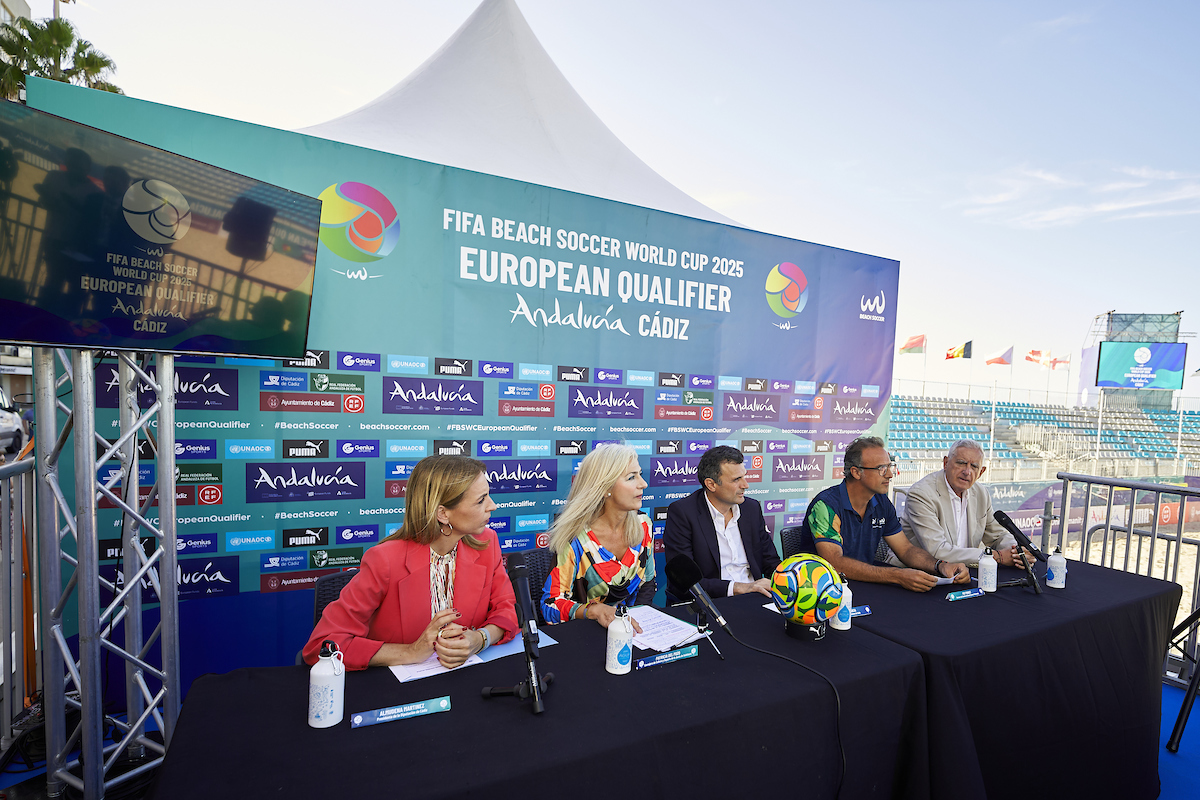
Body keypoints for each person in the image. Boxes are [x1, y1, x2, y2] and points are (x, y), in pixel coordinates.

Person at [302, 455, 517, 670]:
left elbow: (507, 609)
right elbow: (322, 646)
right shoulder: (384, 560)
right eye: (481, 500)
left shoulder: (488, 543)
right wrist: (411, 651)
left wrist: (480, 639)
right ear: (443, 513)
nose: (493, 506)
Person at [800, 436, 970, 591]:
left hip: (864, 586)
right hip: (820, 590)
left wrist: (940, 565)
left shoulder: (881, 501)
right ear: (856, 472)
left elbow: (905, 550)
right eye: (881, 468)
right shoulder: (825, 505)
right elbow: (834, 563)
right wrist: (896, 575)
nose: (890, 474)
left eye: (890, 466)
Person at [541, 443, 657, 629]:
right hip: (587, 636)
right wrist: (593, 611)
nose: (643, 484)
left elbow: (648, 584)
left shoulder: (644, 524)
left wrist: (631, 627)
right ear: (604, 488)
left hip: (636, 633)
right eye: (631, 477)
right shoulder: (575, 539)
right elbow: (551, 606)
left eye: (640, 474)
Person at [663, 445, 780, 600]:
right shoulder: (683, 513)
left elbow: (771, 561)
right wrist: (739, 588)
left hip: (756, 597)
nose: (745, 485)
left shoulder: (751, 508)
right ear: (711, 484)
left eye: (744, 476)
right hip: (712, 603)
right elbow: (684, 580)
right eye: (736, 480)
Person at [899, 439, 1030, 568]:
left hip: (963, 573)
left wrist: (1016, 552)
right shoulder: (921, 493)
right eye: (961, 463)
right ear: (945, 463)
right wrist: (997, 556)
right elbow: (938, 551)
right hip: (916, 574)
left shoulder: (981, 493)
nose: (967, 472)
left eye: (974, 466)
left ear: (981, 472)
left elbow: (998, 536)